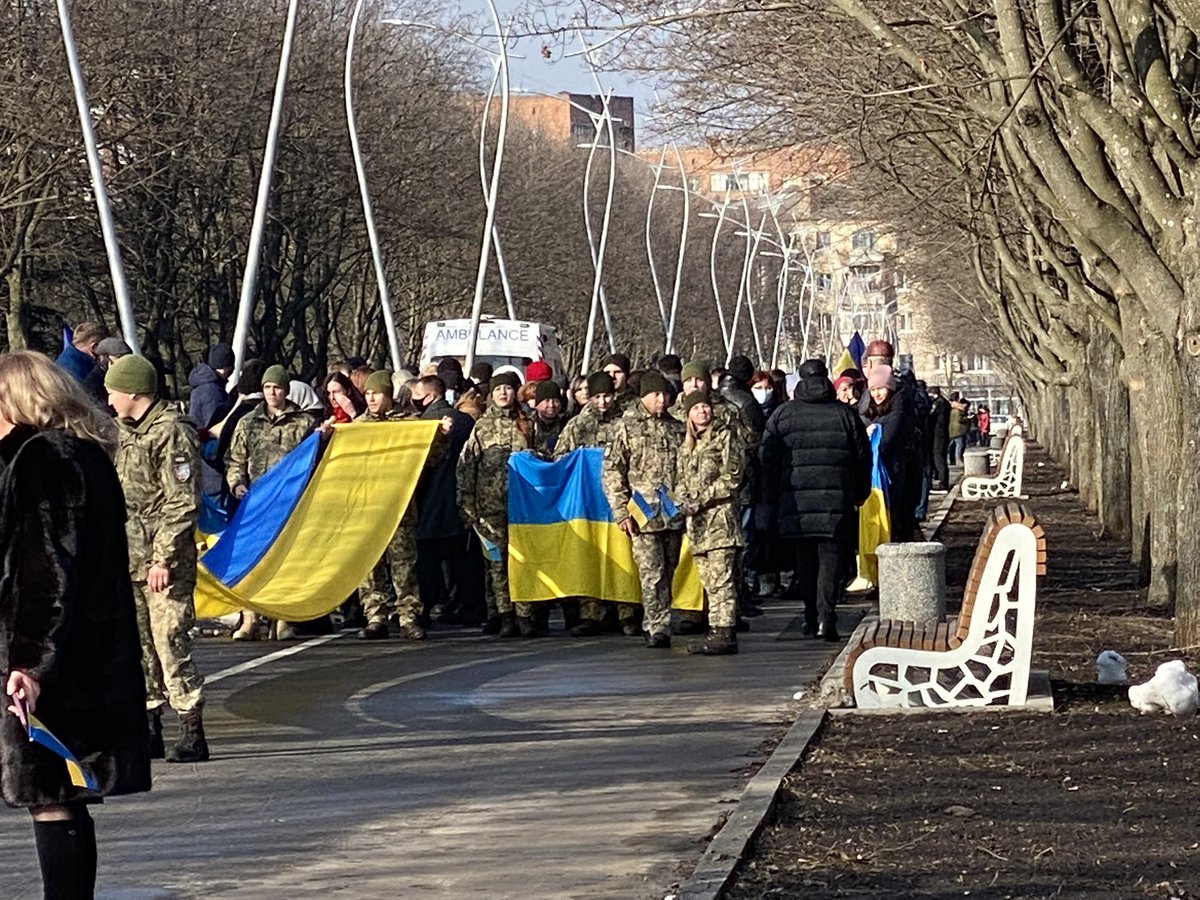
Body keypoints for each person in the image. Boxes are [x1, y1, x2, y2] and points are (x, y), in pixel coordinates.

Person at [0, 351, 150, 899]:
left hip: (61, 657)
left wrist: (30, 662)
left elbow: (46, 568)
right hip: (84, 649)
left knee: (50, 790)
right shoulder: (78, 455)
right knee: (57, 790)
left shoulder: (46, 459)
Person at [105, 354, 209, 762]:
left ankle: (191, 728)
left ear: (134, 392)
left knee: (169, 642)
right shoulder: (121, 431)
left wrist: (162, 558)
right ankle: (149, 725)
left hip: (164, 563)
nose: (108, 397)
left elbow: (181, 502)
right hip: (128, 557)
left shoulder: (172, 433)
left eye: (113, 391)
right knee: (138, 646)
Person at [761, 359, 870, 641]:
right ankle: (827, 617)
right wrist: (860, 492)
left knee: (804, 560)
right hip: (836, 500)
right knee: (831, 559)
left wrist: (771, 498)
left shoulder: (783, 415)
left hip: (795, 501)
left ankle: (810, 616)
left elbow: (768, 459)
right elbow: (862, 458)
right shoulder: (845, 415)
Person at [225, 365, 315, 641]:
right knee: (250, 560)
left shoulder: (303, 423)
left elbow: (313, 461)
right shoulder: (248, 423)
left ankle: (282, 617)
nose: (271, 393)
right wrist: (237, 483)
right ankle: (250, 617)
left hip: (289, 503)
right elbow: (235, 459)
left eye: (276, 387)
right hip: (256, 502)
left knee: (285, 560)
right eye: (267, 388)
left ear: (286, 390)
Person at [602, 372, 685, 648]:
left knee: (670, 568)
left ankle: (663, 615)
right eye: (656, 395)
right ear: (644, 397)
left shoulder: (677, 428)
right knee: (652, 572)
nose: (662, 400)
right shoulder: (626, 427)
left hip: (672, 511)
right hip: (643, 511)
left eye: (665, 395)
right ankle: (656, 624)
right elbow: (613, 470)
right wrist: (621, 510)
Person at [355, 371, 439, 641]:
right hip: (367, 509)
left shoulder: (409, 424)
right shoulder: (358, 427)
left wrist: (439, 437)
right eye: (367, 394)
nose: (371, 398)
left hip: (400, 508)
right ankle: (375, 615)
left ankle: (408, 616)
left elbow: (430, 459)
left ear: (388, 395)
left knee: (403, 564)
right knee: (370, 566)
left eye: (376, 393)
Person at [556, 371, 639, 637]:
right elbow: (561, 459)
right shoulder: (577, 425)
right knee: (590, 557)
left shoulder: (627, 421)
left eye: (607, 396)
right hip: (588, 504)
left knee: (623, 556)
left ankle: (628, 613)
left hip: (619, 501)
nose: (603, 402)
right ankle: (590, 614)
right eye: (597, 397)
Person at [457, 371, 533, 637]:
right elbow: (466, 468)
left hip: (522, 507)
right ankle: (505, 615)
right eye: (498, 389)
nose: (503, 393)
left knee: (522, 561)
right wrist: (467, 506)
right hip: (489, 509)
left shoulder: (527, 423)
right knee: (497, 564)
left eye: (508, 389)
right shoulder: (482, 426)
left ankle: (525, 614)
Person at [675, 390, 745, 655]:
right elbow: (680, 479)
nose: (702, 412)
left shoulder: (725, 437)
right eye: (696, 408)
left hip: (720, 522)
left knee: (722, 580)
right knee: (708, 580)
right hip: (697, 526)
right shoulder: (688, 445)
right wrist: (681, 498)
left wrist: (701, 499)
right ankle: (715, 629)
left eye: (705, 407)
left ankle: (724, 630)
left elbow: (733, 478)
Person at [412, 375, 484, 628]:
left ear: (429, 396)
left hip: (429, 502)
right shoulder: (466, 422)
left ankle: (425, 609)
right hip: (459, 499)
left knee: (428, 562)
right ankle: (472, 607)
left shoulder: (421, 425)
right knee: (463, 560)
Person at [530, 381, 566, 457]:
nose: (551, 405)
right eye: (547, 401)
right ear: (537, 404)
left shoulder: (566, 424)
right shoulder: (527, 424)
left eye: (556, 401)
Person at [928, 386, 951, 492]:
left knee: (939, 458)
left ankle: (943, 483)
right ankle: (944, 481)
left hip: (938, 434)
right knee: (941, 458)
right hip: (943, 433)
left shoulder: (938, 403)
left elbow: (931, 415)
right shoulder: (945, 402)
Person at [948, 392, 969, 465]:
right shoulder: (961, 409)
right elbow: (961, 419)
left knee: (952, 445)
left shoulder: (949, 407)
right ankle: (958, 459)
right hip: (959, 428)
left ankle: (951, 459)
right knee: (959, 445)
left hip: (951, 428)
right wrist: (967, 419)